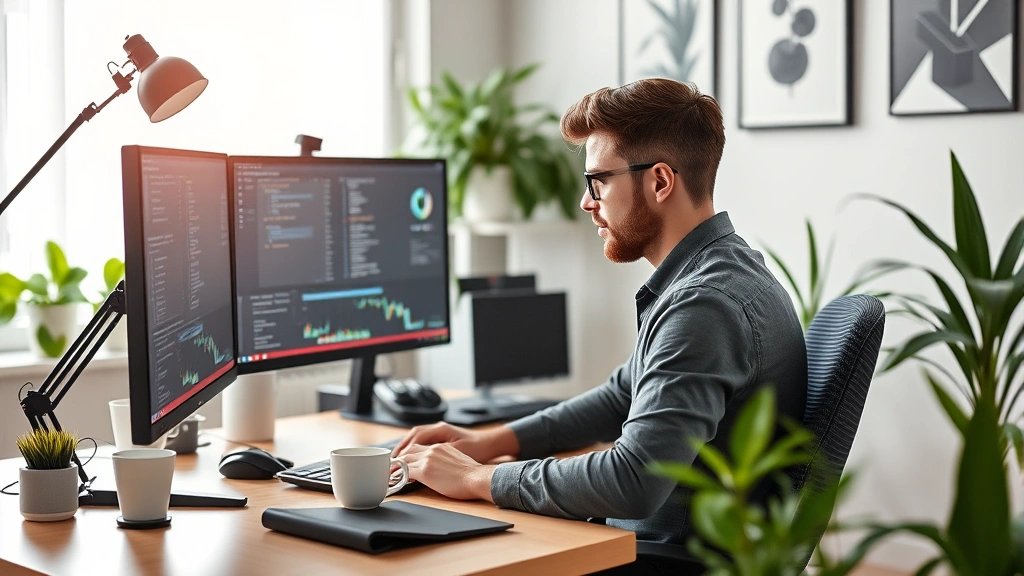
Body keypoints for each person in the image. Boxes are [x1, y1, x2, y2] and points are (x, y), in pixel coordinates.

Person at [392, 78, 807, 565]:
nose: (587, 202)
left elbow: (633, 481)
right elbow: (620, 396)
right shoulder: (721, 271)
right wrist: (487, 443)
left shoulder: (704, 306)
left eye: (599, 181)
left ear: (659, 181)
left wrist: (471, 478)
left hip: (659, 561)